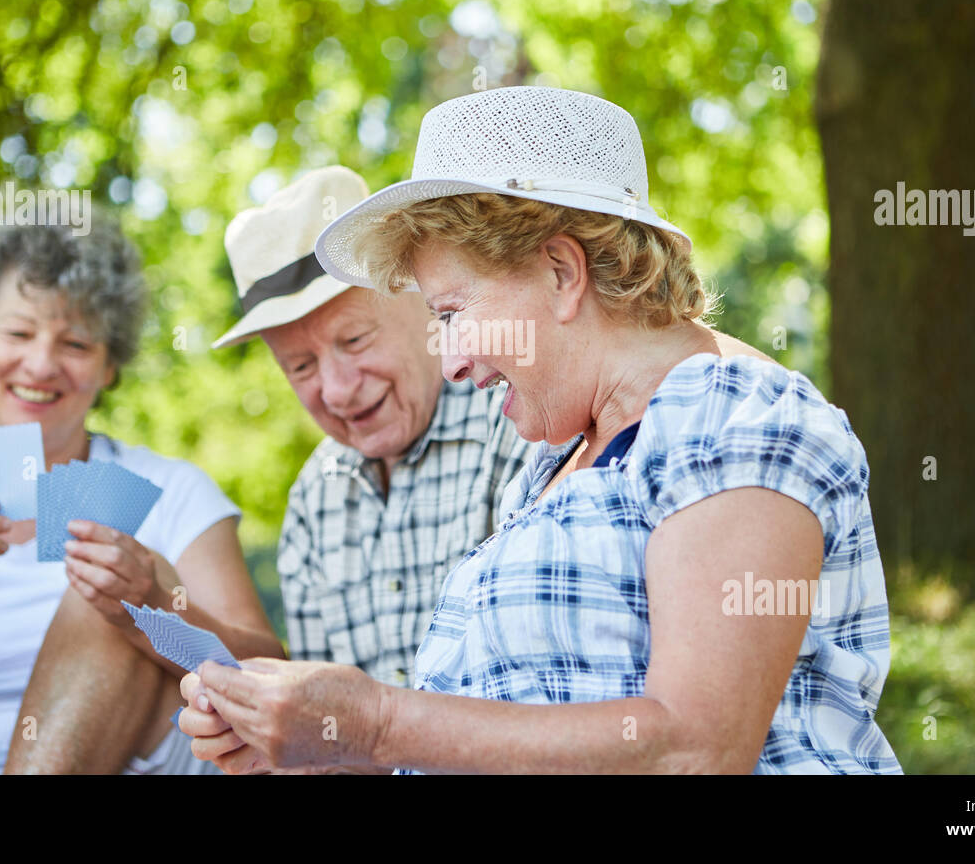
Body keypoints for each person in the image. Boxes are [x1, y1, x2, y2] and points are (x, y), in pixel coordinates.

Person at [178, 86, 903, 774]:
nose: (453, 363)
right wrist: (326, 749)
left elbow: (694, 750)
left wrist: (373, 723)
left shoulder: (734, 412)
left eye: (452, 313)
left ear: (561, 271)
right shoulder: (554, 463)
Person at [0, 220, 283, 774]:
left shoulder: (174, 490)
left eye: (75, 343)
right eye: (18, 334)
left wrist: (155, 604)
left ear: (108, 366)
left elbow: (269, 679)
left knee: (109, 602)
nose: (42, 365)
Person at [209, 167, 542, 756]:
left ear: (419, 303)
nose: (336, 391)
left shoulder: (518, 424)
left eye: (355, 341)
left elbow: (548, 703)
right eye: (301, 368)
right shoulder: (314, 500)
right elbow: (332, 738)